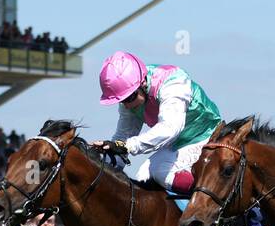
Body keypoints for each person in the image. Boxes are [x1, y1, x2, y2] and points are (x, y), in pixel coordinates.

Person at [91, 51, 222, 195]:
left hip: (206, 136)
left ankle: (216, 196)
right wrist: (101, 162)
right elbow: (122, 139)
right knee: (143, 177)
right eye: (121, 101)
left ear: (143, 83)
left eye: (129, 98)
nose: (126, 105)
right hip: (177, 143)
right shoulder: (132, 94)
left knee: (160, 172)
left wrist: (125, 146)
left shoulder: (173, 83)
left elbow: (170, 129)